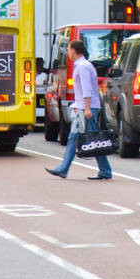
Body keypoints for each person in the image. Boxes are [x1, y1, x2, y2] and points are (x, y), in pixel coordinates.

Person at [46, 38, 112, 181]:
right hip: (84, 107)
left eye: (69, 49)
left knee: (88, 139)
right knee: (90, 139)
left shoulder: (82, 66)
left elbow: (87, 89)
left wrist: (86, 108)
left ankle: (65, 168)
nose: (68, 52)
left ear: (74, 50)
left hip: (86, 109)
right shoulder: (84, 65)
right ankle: (104, 170)